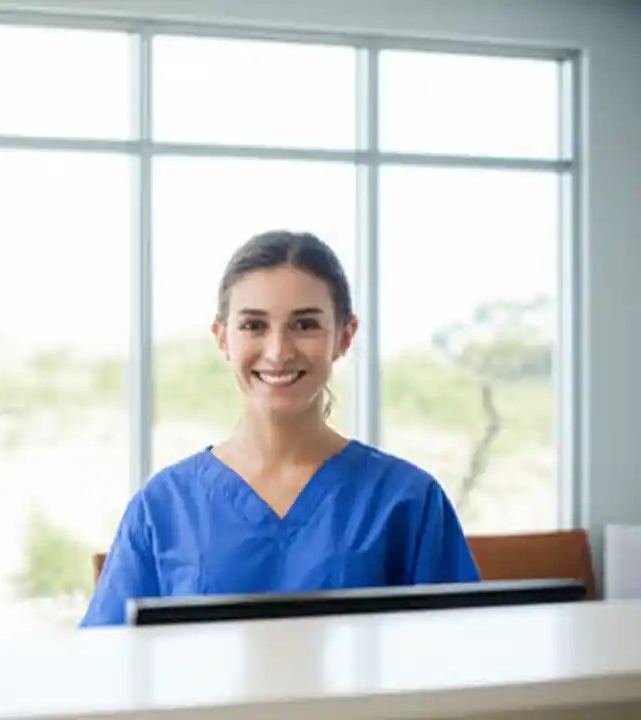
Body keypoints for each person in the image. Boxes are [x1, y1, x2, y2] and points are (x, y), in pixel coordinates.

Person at [80, 230, 480, 628]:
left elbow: (461, 660)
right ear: (222, 338)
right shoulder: (164, 507)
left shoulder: (408, 501)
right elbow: (106, 668)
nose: (278, 351)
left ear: (345, 336)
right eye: (254, 326)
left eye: (305, 325)